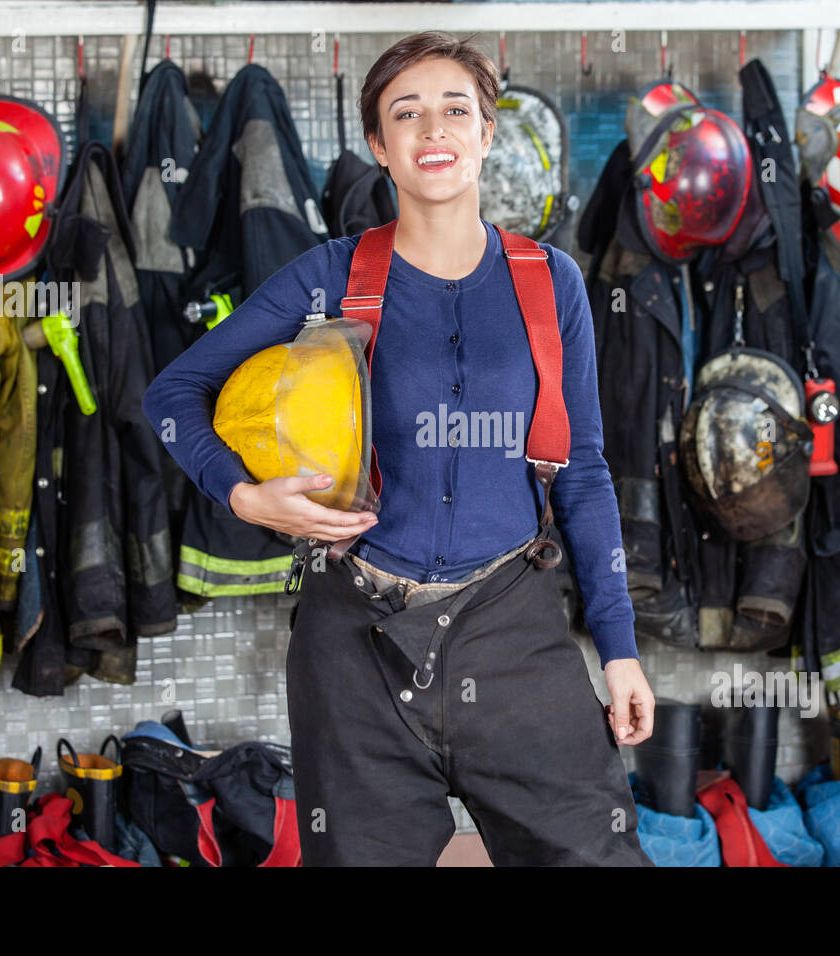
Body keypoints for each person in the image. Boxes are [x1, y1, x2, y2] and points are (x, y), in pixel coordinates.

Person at [143, 31, 655, 866]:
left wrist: (621, 648)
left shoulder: (550, 281)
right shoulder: (328, 277)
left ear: (489, 132)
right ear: (379, 147)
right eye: (405, 115)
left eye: (456, 110)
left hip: (513, 629)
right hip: (353, 643)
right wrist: (243, 496)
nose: (434, 131)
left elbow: (584, 473)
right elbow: (171, 395)